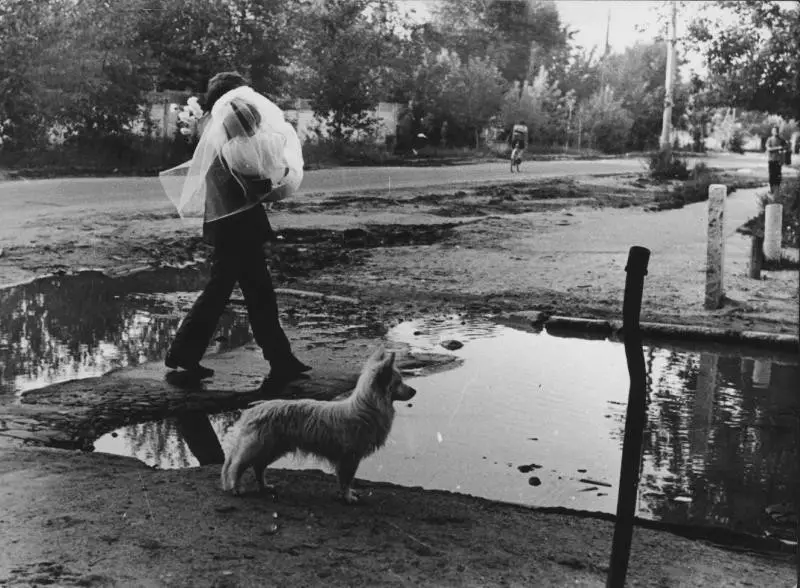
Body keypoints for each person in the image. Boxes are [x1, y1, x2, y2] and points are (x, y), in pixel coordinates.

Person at [159, 72, 310, 381]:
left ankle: (278, 358)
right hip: (236, 226)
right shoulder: (232, 143)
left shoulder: (218, 134)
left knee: (253, 292)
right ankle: (185, 353)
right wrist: (273, 179)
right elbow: (247, 183)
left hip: (232, 224)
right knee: (237, 292)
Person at [765, 126, 786, 196]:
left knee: (778, 176)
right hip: (771, 160)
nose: (775, 132)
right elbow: (768, 149)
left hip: (778, 161)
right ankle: (771, 190)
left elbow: (785, 149)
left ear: (778, 131)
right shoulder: (769, 139)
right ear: (772, 131)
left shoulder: (782, 140)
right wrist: (778, 148)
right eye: (774, 130)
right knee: (771, 176)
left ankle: (777, 191)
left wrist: (782, 160)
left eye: (776, 131)